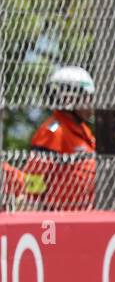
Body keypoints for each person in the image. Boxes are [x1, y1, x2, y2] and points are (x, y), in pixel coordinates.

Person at [9, 66, 98, 211]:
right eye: (89, 97)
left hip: (87, 211)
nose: (92, 104)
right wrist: (31, 205)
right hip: (61, 214)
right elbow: (36, 175)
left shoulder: (84, 131)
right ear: (70, 97)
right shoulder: (53, 131)